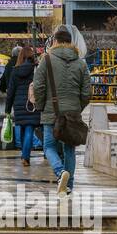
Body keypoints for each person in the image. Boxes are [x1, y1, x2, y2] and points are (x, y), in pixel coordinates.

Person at [31, 26, 91, 196]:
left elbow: (38, 87)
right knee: (69, 149)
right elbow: (87, 93)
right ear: (71, 42)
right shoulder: (81, 63)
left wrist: (41, 106)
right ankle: (68, 185)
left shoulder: (46, 60)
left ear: (55, 41)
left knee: (49, 146)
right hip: (72, 114)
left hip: (52, 113)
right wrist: (77, 108)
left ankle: (60, 172)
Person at [4, 46, 40, 166]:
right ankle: (25, 156)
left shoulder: (15, 70)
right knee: (29, 129)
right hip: (32, 104)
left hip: (19, 105)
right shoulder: (36, 70)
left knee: (24, 129)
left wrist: (7, 109)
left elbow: (10, 92)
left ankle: (25, 155)